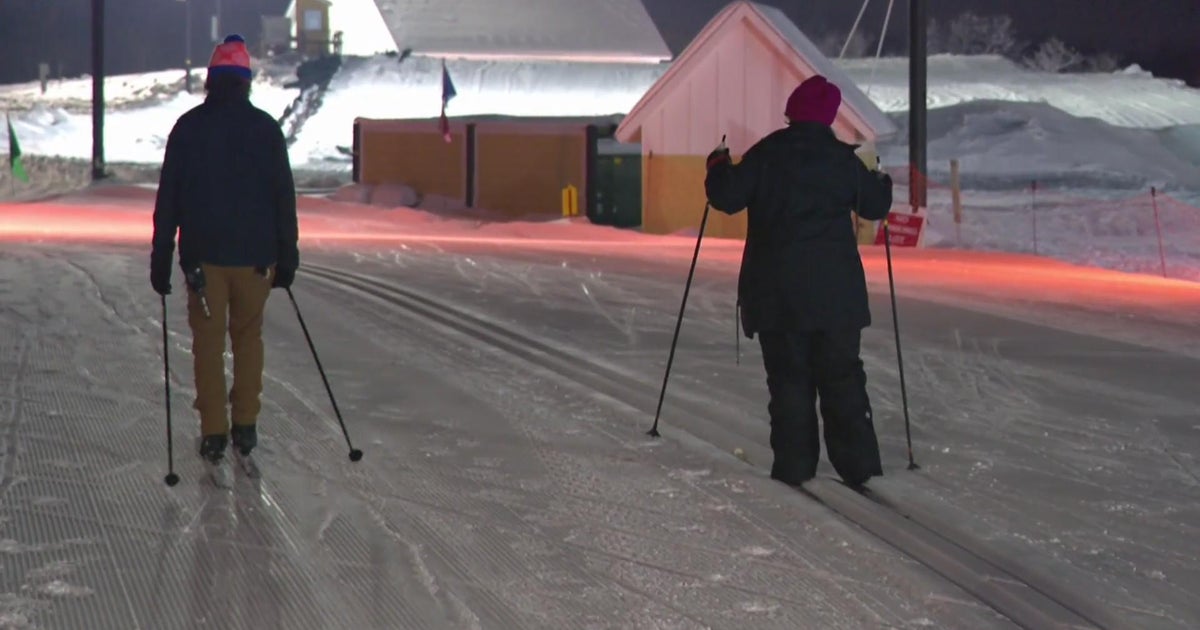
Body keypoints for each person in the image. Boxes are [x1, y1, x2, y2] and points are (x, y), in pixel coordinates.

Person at [704, 75, 893, 488]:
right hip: (837, 297)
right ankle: (859, 468)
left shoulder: (767, 153)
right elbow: (875, 205)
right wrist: (880, 179)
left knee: (789, 380)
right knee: (843, 377)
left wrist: (717, 165)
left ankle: (795, 467)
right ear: (828, 117)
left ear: (792, 110)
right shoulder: (842, 161)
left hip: (778, 295)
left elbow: (727, 197)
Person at [150, 34, 299, 465]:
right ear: (245, 82)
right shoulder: (266, 129)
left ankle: (214, 431)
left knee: (208, 344)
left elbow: (169, 198)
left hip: (203, 260)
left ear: (211, 80)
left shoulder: (189, 128)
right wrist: (287, 254)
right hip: (257, 261)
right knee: (249, 339)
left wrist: (162, 256)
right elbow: (283, 197)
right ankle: (246, 424)